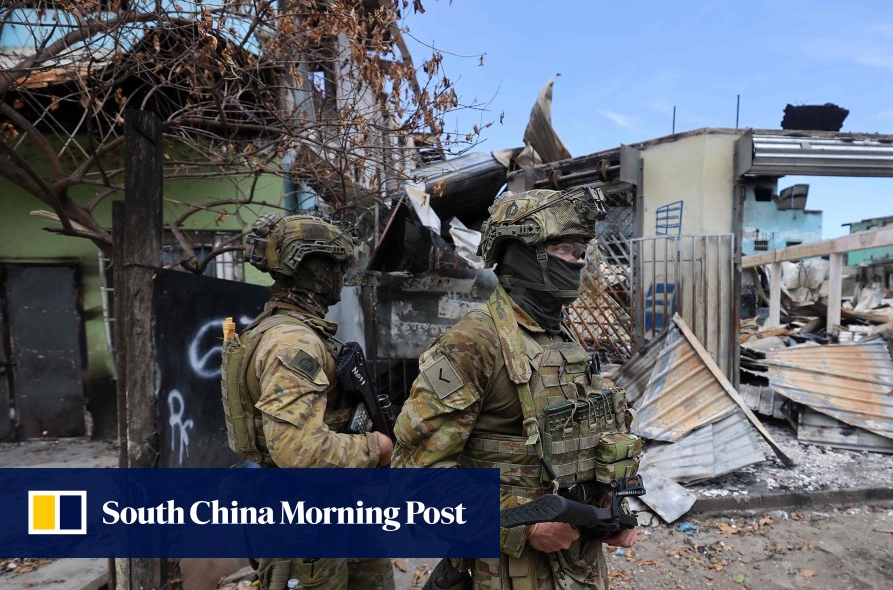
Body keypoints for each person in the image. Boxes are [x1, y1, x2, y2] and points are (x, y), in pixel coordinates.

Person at [392, 187, 640, 590]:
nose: (579, 260)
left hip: (578, 565)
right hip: (506, 572)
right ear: (520, 252)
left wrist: (610, 508)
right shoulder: (475, 343)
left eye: (581, 249)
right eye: (563, 247)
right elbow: (414, 478)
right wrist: (520, 527)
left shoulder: (560, 337)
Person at [221, 213, 394, 590]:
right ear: (314, 266)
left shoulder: (287, 330)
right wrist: (374, 447)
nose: (341, 276)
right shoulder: (293, 342)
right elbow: (297, 449)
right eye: (337, 265)